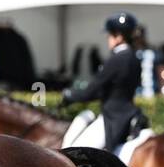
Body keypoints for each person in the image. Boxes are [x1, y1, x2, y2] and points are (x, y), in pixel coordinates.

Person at [61, 11, 147, 150]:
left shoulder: (116, 59)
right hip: (130, 114)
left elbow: (90, 92)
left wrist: (69, 95)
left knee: (76, 153)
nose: (108, 39)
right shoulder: (135, 58)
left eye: (109, 35)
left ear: (118, 37)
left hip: (113, 119)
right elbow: (111, 90)